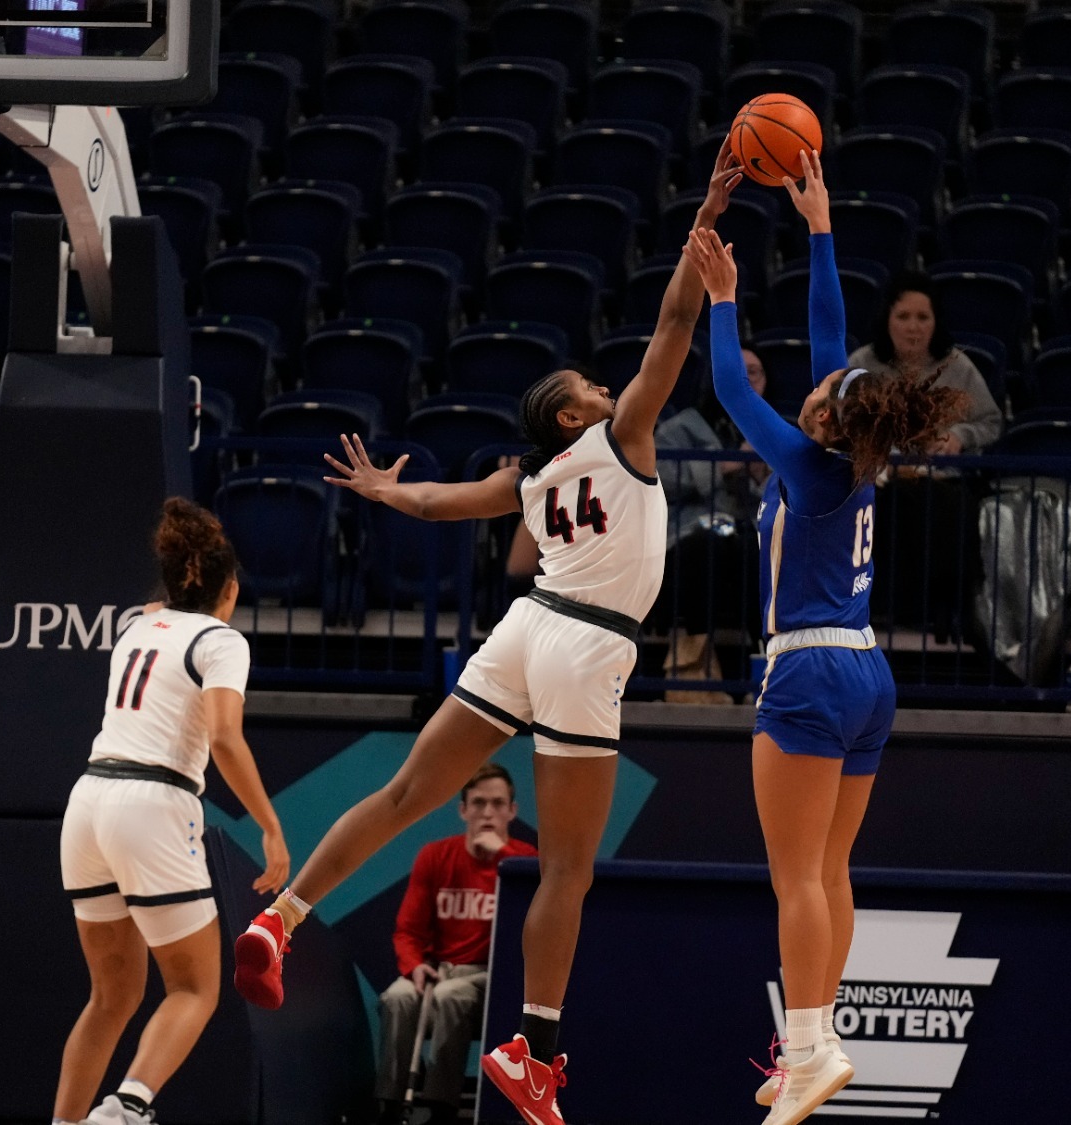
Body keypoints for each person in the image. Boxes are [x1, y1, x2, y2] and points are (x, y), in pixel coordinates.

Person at [230, 153, 749, 1125]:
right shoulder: (621, 437)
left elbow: (437, 504)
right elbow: (674, 327)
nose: (608, 387)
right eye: (590, 386)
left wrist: (386, 492)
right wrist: (707, 215)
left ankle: (278, 918)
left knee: (399, 797)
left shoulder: (531, 481)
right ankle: (533, 1052)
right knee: (565, 870)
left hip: (522, 633)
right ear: (571, 414)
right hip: (586, 648)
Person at [684, 149, 966, 1125]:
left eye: (820, 388)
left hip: (805, 672)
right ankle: (821, 1035)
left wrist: (720, 297)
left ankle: (802, 1048)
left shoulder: (805, 466)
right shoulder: (851, 457)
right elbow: (827, 333)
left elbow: (729, 390)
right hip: (867, 675)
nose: (817, 381)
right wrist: (816, 228)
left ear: (821, 417)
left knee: (793, 877)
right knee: (830, 872)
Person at [54, 498, 289, 1125]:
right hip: (152, 804)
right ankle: (125, 1109)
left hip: (87, 801)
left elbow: (160, 611)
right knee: (194, 988)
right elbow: (224, 738)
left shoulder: (138, 625)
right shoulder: (222, 640)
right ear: (231, 590)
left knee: (111, 996)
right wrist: (270, 824)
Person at [371, 764, 536, 1125]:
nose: (488, 813)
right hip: (440, 969)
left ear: (512, 810)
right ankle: (390, 1104)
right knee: (397, 998)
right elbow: (408, 931)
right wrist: (414, 965)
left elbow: (534, 929)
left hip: (491, 977)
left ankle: (438, 1109)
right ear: (463, 810)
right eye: (478, 803)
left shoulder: (525, 862)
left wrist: (503, 856)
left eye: (497, 804)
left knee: (451, 997)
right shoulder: (435, 856)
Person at [846, 275, 1004, 638]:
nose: (913, 328)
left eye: (923, 317)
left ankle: (941, 613)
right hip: (879, 481)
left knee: (944, 509)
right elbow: (840, 421)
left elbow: (991, 421)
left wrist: (960, 436)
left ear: (936, 322)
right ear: (887, 319)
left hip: (939, 482)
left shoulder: (956, 366)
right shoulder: (862, 363)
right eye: (904, 317)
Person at [649, 358, 768, 700]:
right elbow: (657, 477)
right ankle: (693, 674)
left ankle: (762, 671)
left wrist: (759, 477)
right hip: (686, 538)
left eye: (755, 372)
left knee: (754, 552)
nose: (746, 379)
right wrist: (725, 467)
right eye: (737, 370)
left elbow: (786, 497)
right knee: (707, 547)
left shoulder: (772, 431)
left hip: (744, 536)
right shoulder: (682, 426)